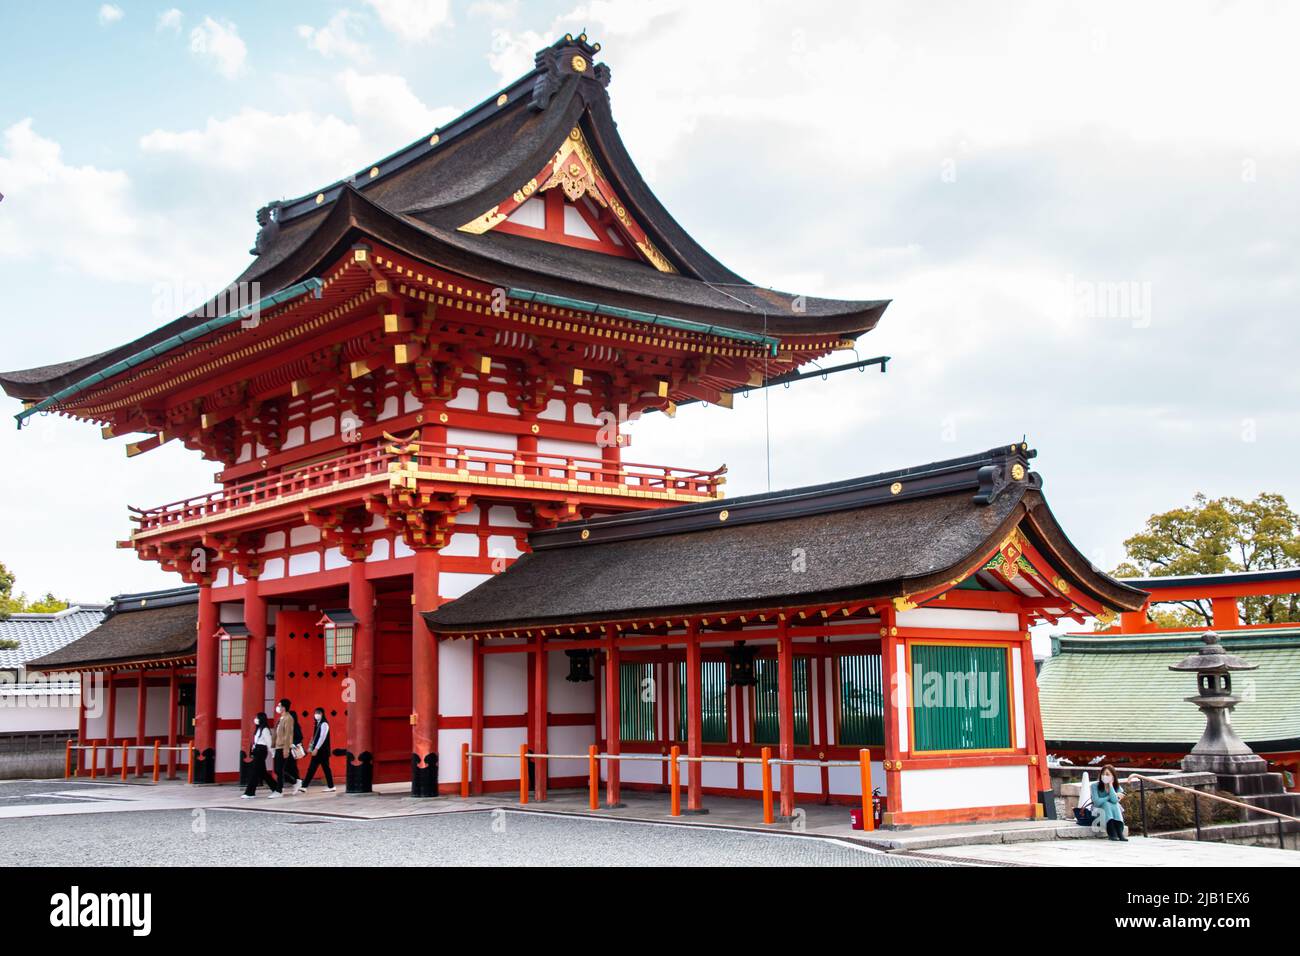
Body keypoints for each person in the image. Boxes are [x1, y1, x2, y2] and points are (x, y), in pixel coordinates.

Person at [295, 707, 335, 793]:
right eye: (315, 713)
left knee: (319, 768)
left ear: (322, 714)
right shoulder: (317, 723)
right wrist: (311, 747)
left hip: (322, 751)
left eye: (318, 713)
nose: (316, 715)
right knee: (318, 768)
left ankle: (305, 786)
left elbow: (322, 737)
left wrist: (316, 749)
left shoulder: (324, 724)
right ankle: (330, 786)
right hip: (318, 750)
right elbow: (315, 737)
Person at [242, 712, 280, 799]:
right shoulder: (258, 729)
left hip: (261, 751)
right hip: (257, 750)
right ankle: (276, 787)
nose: (256, 719)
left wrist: (273, 753)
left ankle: (250, 793)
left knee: (254, 772)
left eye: (257, 718)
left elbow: (269, 742)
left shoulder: (265, 729)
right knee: (263, 773)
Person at [1091, 763, 1128, 841]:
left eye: (1107, 774)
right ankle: (1112, 832)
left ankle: (1119, 833)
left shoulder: (1117, 787)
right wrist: (1109, 797)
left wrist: (1110, 786)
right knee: (1106, 804)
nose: (1105, 776)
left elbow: (1114, 800)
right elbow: (1097, 802)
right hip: (1098, 814)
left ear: (1113, 776)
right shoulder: (1094, 786)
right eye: (1103, 774)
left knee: (1115, 804)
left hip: (1113, 813)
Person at [272, 698, 299, 794]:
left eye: (279, 706)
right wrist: (273, 745)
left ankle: (279, 791)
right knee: (277, 769)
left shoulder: (288, 718)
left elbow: (288, 735)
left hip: (283, 747)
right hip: (278, 746)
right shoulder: (281, 718)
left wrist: (286, 750)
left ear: (284, 707)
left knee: (279, 769)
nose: (278, 707)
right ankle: (295, 781)